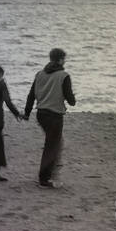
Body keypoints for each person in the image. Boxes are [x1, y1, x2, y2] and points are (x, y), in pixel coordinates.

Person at [24, 47, 77, 188]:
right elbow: (71, 100)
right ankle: (44, 178)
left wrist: (27, 113)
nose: (64, 61)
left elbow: (31, 96)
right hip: (55, 115)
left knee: (53, 144)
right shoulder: (64, 76)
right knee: (52, 146)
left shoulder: (39, 74)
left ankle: (50, 175)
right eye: (64, 59)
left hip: (41, 114)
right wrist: (73, 98)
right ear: (60, 59)